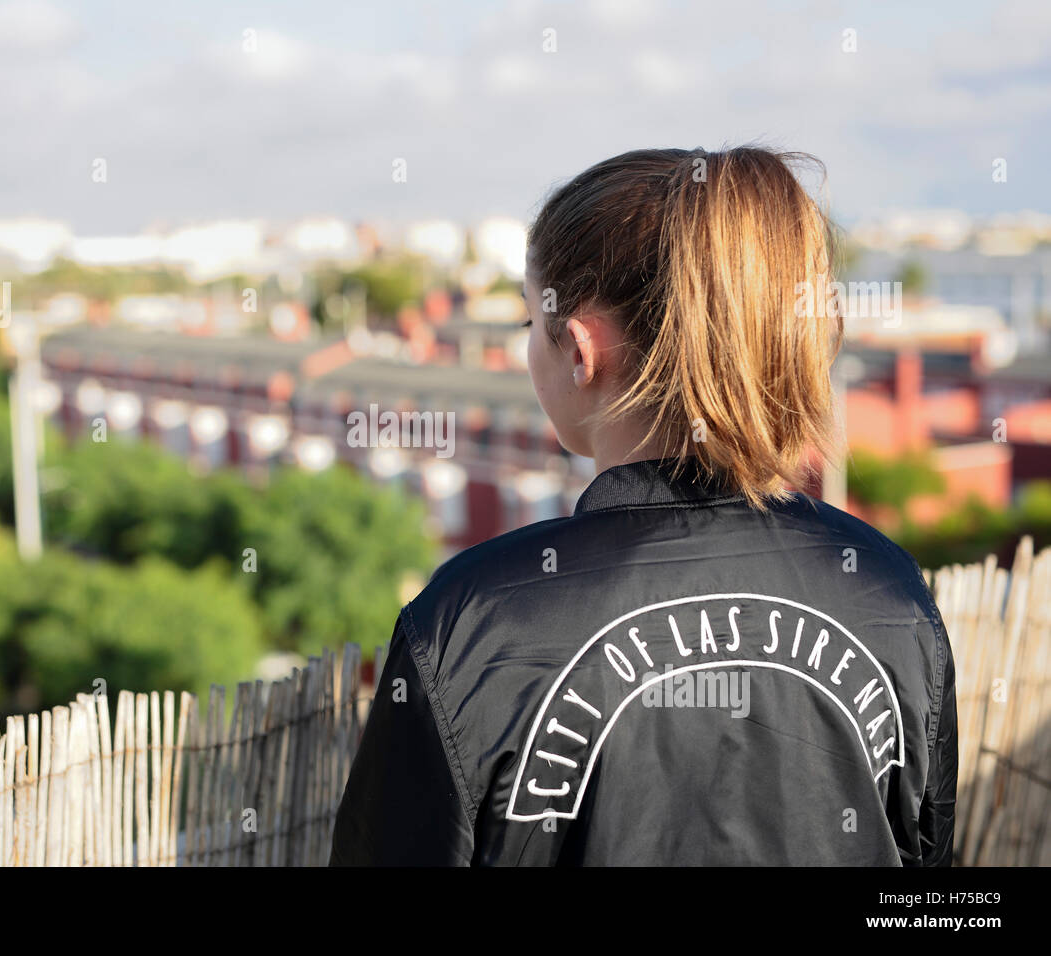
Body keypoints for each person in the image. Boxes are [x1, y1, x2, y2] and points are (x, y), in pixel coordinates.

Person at [329, 146, 957, 866]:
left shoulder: (471, 622)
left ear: (581, 350)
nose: (526, 348)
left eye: (533, 321)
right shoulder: (892, 595)